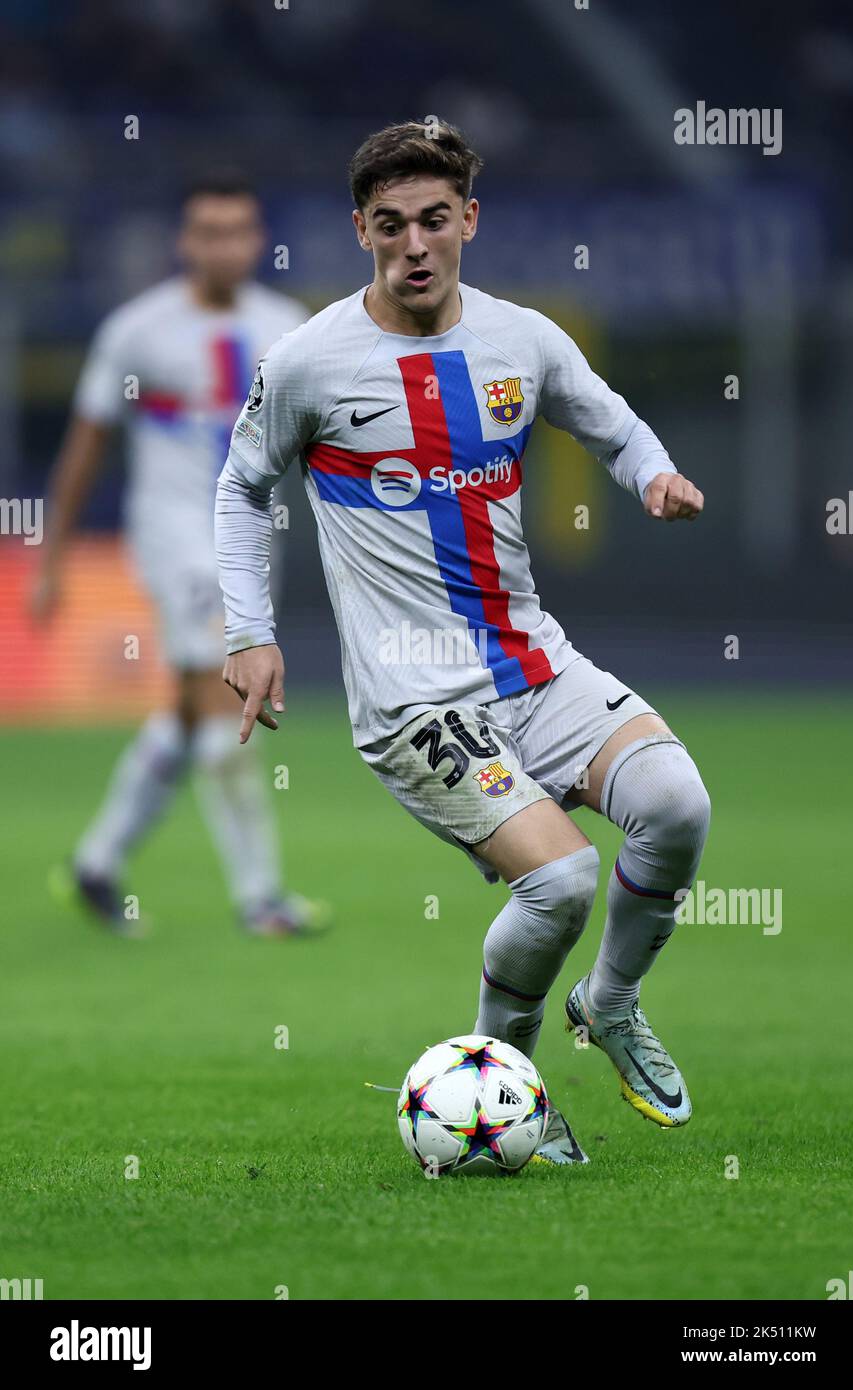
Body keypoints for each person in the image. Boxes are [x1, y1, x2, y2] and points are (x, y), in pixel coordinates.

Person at [214, 122, 709, 1163]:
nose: (414, 245)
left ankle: (608, 1003)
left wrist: (652, 477)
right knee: (562, 881)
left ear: (468, 220)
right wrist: (251, 634)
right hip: (413, 700)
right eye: (389, 226)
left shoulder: (520, 340)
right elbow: (242, 488)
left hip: (530, 662)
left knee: (673, 806)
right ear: (360, 232)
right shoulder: (307, 363)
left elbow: (614, 425)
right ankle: (500, 1089)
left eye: (434, 220)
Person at [33, 175, 328, 938]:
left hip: (256, 539)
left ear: (258, 239)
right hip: (175, 538)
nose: (223, 245)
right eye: (208, 230)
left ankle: (97, 865)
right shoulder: (138, 331)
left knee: (181, 712)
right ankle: (261, 897)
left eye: (237, 230)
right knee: (224, 699)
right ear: (184, 241)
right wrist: (52, 555)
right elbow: (87, 442)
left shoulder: (288, 327)